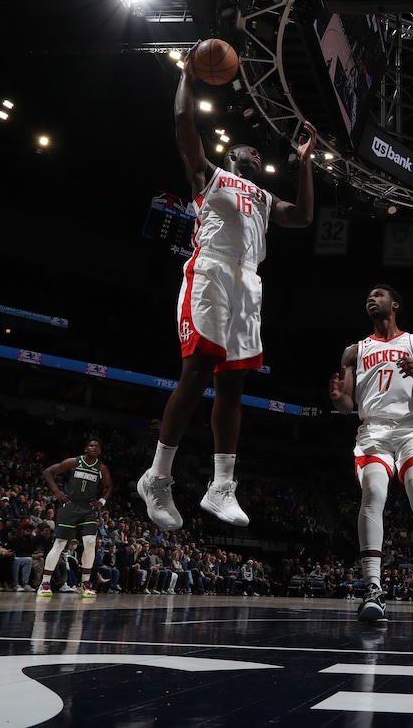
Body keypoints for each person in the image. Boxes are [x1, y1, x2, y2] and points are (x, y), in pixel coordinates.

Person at [138, 42, 319, 531]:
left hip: (248, 285)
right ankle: (157, 477)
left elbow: (302, 216)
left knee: (233, 382)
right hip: (212, 272)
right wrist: (189, 78)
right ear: (231, 156)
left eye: (261, 152)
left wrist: (304, 161)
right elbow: (183, 125)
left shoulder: (263, 196)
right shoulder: (209, 176)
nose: (256, 153)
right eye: (248, 150)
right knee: (197, 370)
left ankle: (222, 486)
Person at [328, 283, 413, 626]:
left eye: (378, 295)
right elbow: (347, 406)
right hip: (372, 431)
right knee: (373, 493)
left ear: (395, 305)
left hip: (411, 430)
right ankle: (372, 589)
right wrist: (336, 398)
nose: (371, 299)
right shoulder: (353, 351)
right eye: (368, 296)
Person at [40, 438, 113, 599]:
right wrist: (56, 492)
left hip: (88, 509)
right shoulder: (74, 462)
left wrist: (102, 501)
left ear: (100, 451)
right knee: (60, 544)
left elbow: (109, 486)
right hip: (70, 506)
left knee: (90, 543)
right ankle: (45, 582)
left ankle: (85, 583)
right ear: (85, 448)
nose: (94, 448)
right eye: (91, 445)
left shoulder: (102, 468)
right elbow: (48, 472)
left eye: (97, 446)